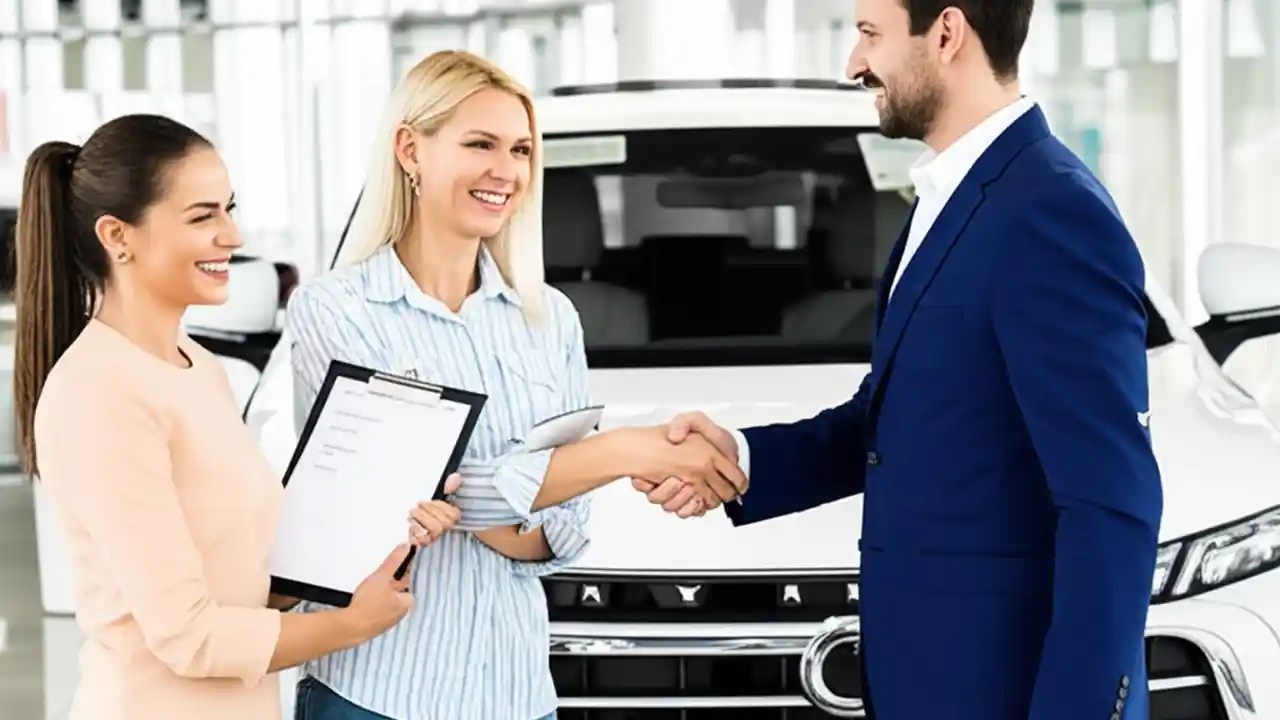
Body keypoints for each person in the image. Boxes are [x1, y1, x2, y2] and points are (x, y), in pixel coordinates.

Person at [636, 1, 1163, 719]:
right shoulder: (953, 197)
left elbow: (1112, 507)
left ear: (946, 34)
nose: (854, 63)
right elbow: (899, 419)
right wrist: (742, 457)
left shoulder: (1049, 211)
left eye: (869, 35)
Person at [284, 50, 745, 720]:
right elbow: (388, 498)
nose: (507, 170)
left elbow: (561, 530)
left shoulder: (548, 317)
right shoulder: (334, 309)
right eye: (481, 144)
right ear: (411, 150)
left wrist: (478, 494)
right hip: (377, 695)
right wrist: (615, 455)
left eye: (522, 150)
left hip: (517, 697)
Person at [12, 114, 464, 720]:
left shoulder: (197, 365)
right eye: (203, 216)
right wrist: (353, 625)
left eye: (229, 209)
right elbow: (189, 637)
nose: (232, 234)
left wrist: (388, 509)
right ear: (118, 236)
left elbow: (243, 581)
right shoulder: (98, 393)